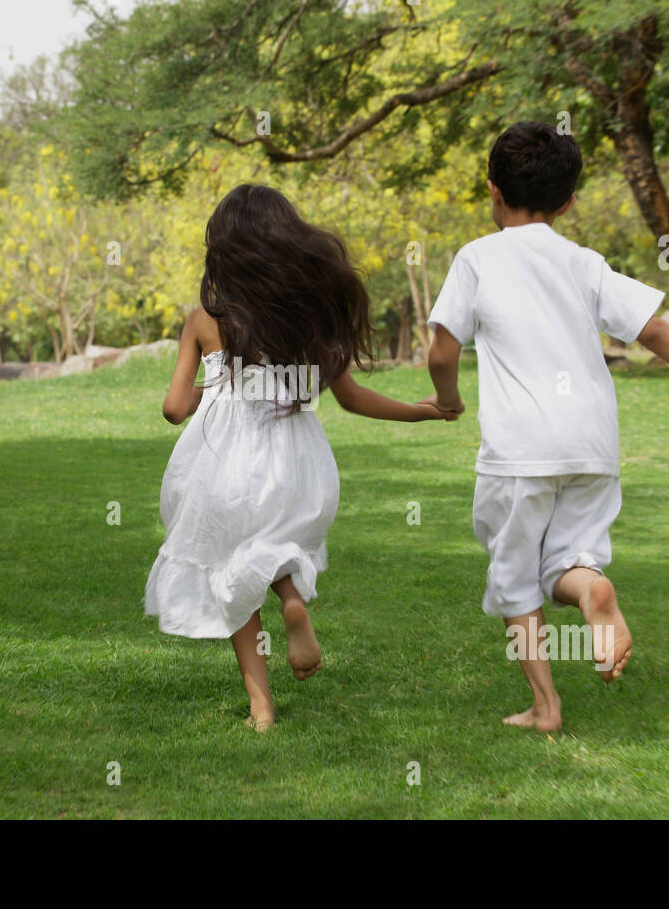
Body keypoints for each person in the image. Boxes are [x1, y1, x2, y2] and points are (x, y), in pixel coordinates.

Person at [423, 121, 669, 731]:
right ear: (568, 202)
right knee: (566, 560)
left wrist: (447, 398)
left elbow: (441, 349)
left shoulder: (476, 258)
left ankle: (545, 707)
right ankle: (591, 591)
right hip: (592, 445)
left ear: (492, 189)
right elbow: (657, 330)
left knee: (513, 577)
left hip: (520, 450)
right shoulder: (584, 262)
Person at [146, 183, 456, 732]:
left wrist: (211, 394)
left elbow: (174, 409)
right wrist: (420, 410)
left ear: (223, 249)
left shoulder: (203, 319)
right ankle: (291, 596)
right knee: (274, 543)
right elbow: (353, 399)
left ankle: (261, 707)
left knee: (228, 564)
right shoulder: (306, 317)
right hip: (295, 458)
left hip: (222, 461)